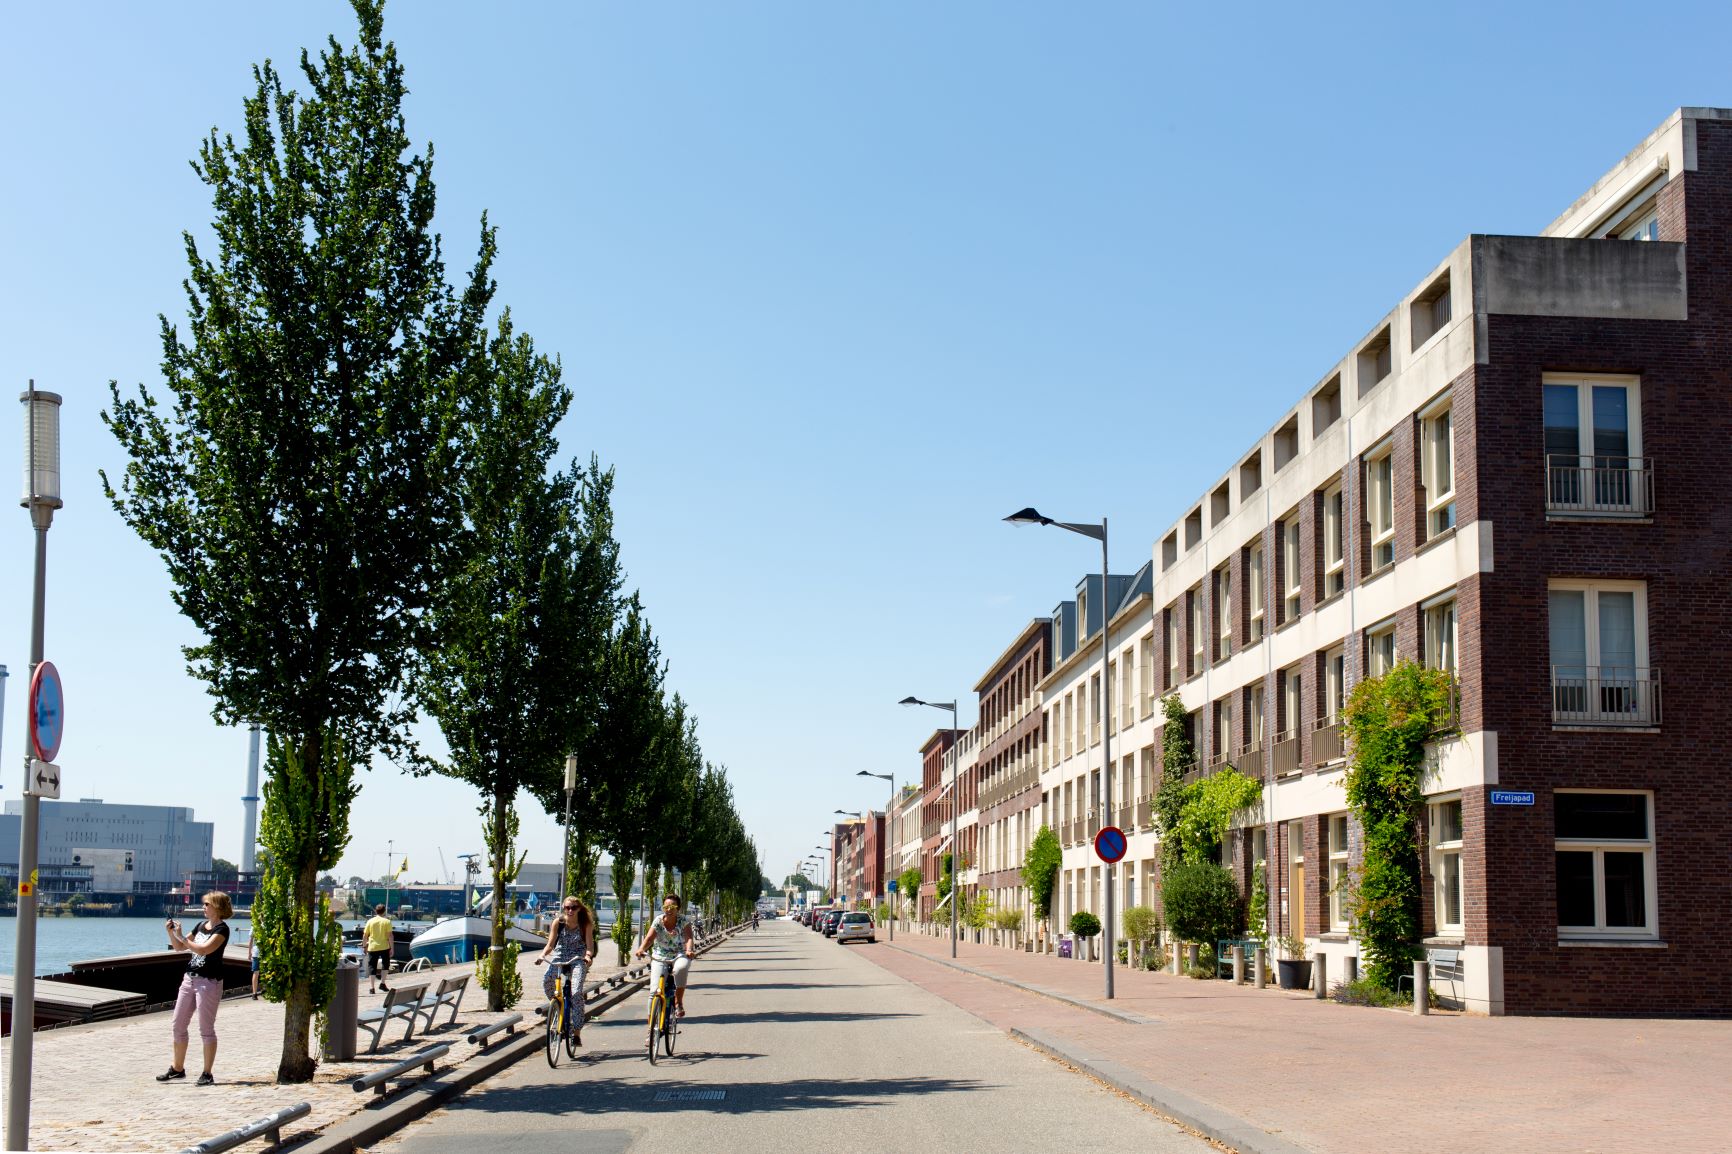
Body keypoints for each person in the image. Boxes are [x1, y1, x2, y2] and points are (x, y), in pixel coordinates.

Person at [157, 891, 233, 1087]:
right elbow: (179, 947)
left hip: (209, 982)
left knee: (206, 1029)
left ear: (217, 907)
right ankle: (177, 1068)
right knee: (178, 1025)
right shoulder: (200, 925)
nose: (203, 907)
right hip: (189, 979)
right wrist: (172, 933)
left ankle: (207, 1073)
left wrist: (183, 937)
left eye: (207, 904)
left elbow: (203, 949)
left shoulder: (222, 930)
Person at [537, 895, 597, 1043]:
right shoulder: (558, 922)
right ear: (563, 908)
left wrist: (588, 956)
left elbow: (590, 946)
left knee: (576, 993)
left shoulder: (585, 924)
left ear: (579, 909)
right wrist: (542, 955)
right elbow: (550, 944)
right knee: (547, 980)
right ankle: (558, 1008)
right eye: (567, 908)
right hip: (560, 956)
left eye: (573, 908)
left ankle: (576, 1032)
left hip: (577, 958)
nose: (570, 910)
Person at [634, 894, 696, 1019]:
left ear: (678, 908)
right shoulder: (658, 921)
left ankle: (678, 1002)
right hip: (660, 955)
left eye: (672, 907)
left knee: (681, 969)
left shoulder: (683, 920)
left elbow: (689, 937)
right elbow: (649, 938)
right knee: (654, 991)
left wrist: (689, 950)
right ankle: (651, 1025)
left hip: (679, 954)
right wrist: (641, 949)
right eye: (666, 907)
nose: (669, 909)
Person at [363, 904, 394, 994]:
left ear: (375, 911)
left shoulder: (370, 921)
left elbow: (365, 935)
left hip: (372, 947)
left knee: (372, 966)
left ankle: (372, 988)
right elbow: (390, 936)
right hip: (384, 946)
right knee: (385, 965)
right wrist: (392, 948)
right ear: (384, 911)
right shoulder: (387, 921)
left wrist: (364, 946)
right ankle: (382, 983)